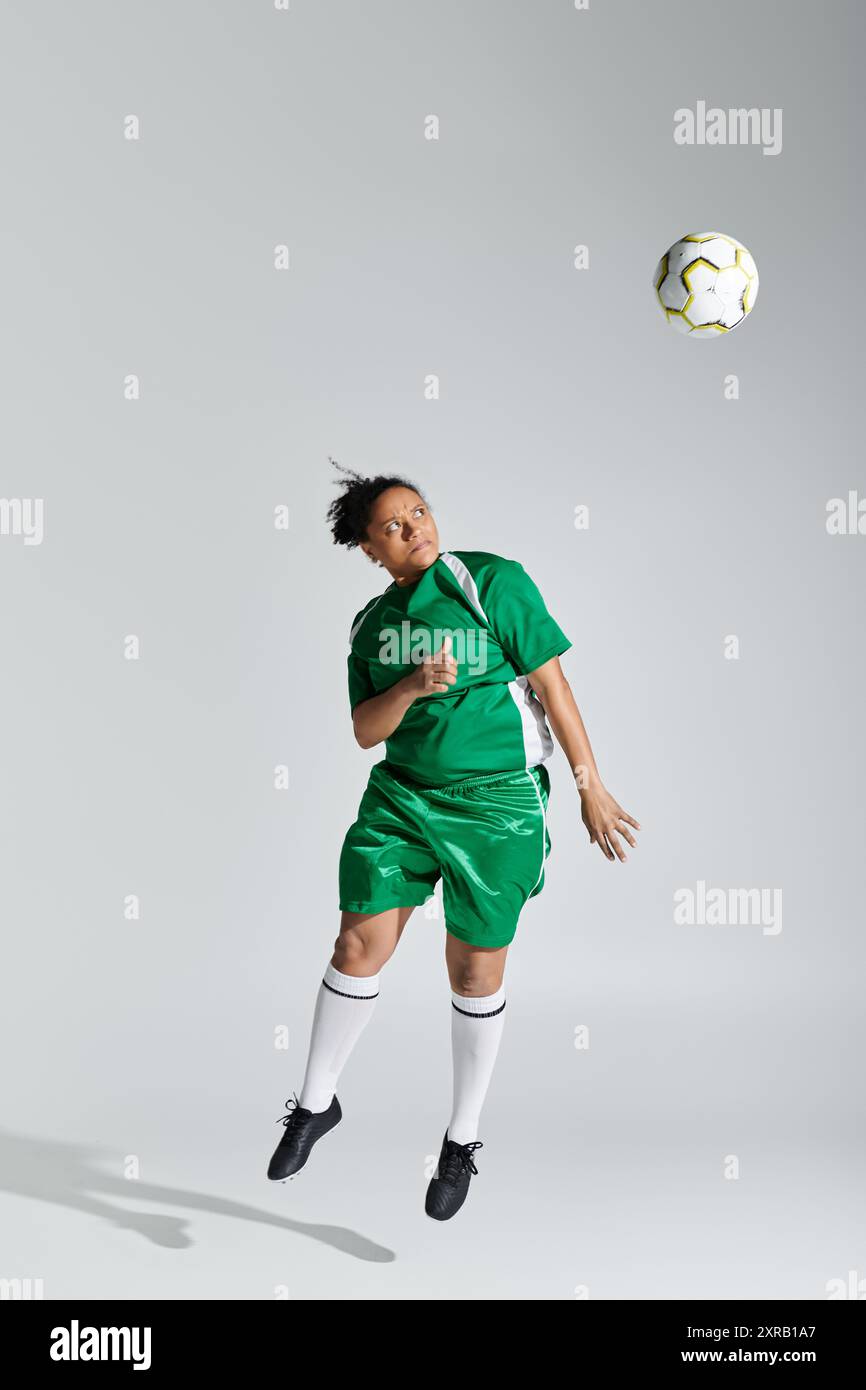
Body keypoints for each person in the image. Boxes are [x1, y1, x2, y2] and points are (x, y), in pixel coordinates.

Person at [266, 462, 641, 1220]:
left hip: (495, 804)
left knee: (473, 971)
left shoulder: (491, 582)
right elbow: (364, 730)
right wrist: (408, 686)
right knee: (353, 948)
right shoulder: (372, 626)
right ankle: (315, 1103)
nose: (416, 530)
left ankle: (460, 1140)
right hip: (402, 797)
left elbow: (553, 685)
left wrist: (588, 783)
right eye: (394, 528)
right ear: (370, 550)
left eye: (420, 513)